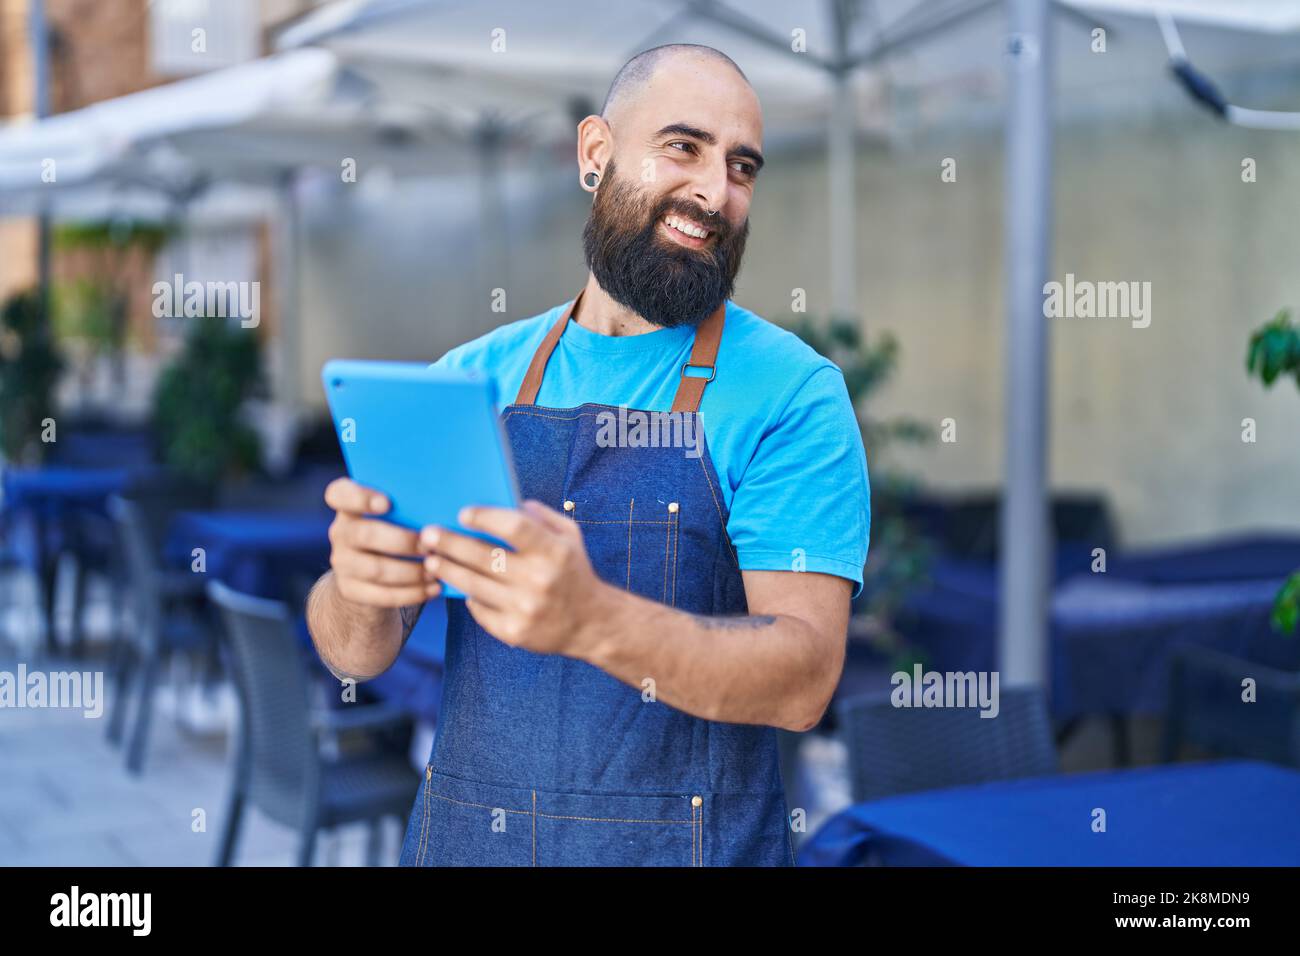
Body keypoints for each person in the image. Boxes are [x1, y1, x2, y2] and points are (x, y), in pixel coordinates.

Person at [306, 43, 870, 867]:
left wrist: (596, 622)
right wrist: (354, 587)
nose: (715, 192)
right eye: (683, 147)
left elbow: (803, 680)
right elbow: (359, 649)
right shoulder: (468, 379)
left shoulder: (793, 395)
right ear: (596, 153)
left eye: (741, 167)